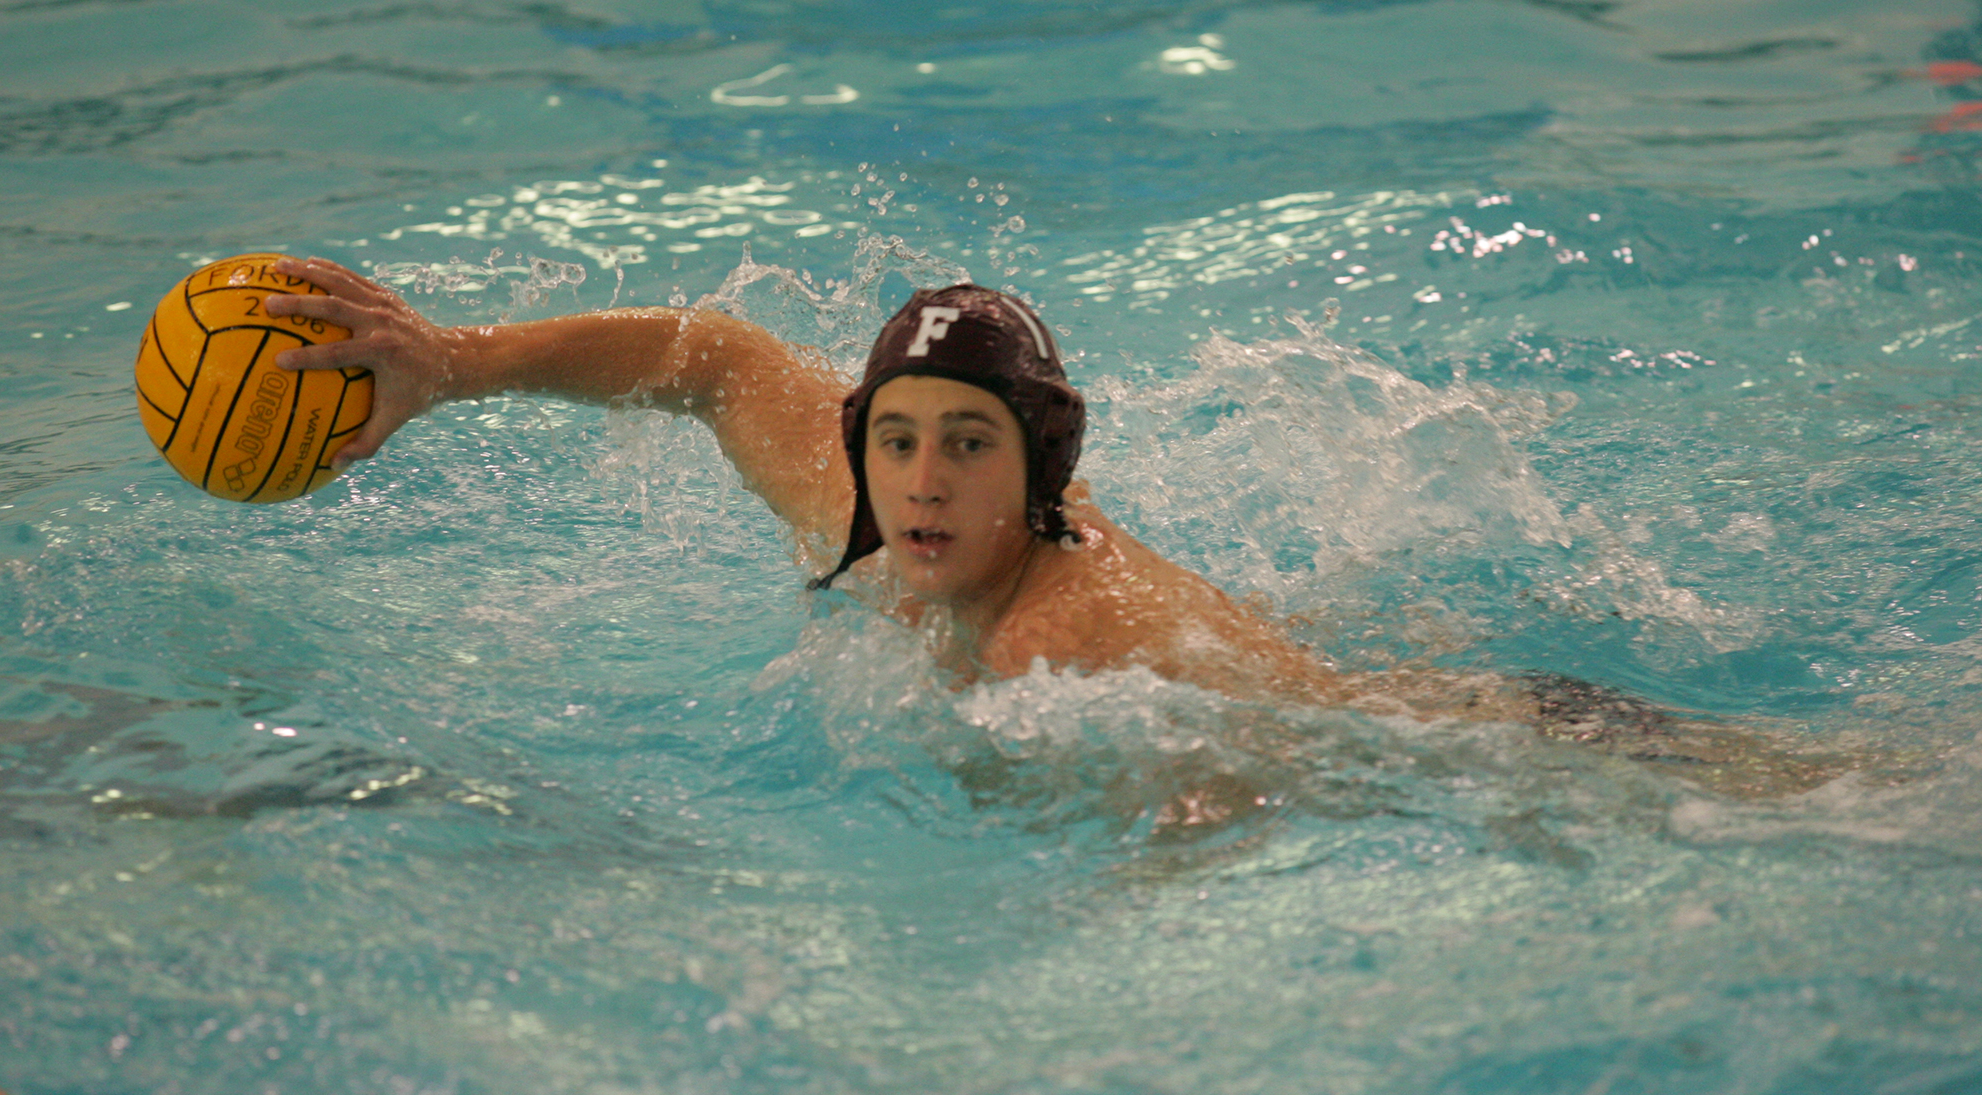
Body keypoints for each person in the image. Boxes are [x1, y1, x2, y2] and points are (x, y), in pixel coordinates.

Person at [263, 256, 1860, 803]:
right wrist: (451, 369)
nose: (926, 483)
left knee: (1840, 806)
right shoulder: (866, 511)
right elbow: (709, 357)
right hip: (1394, 687)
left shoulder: (1062, 642)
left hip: (1489, 751)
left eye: (969, 447)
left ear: (1042, 479)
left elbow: (1215, 784)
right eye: (897, 444)